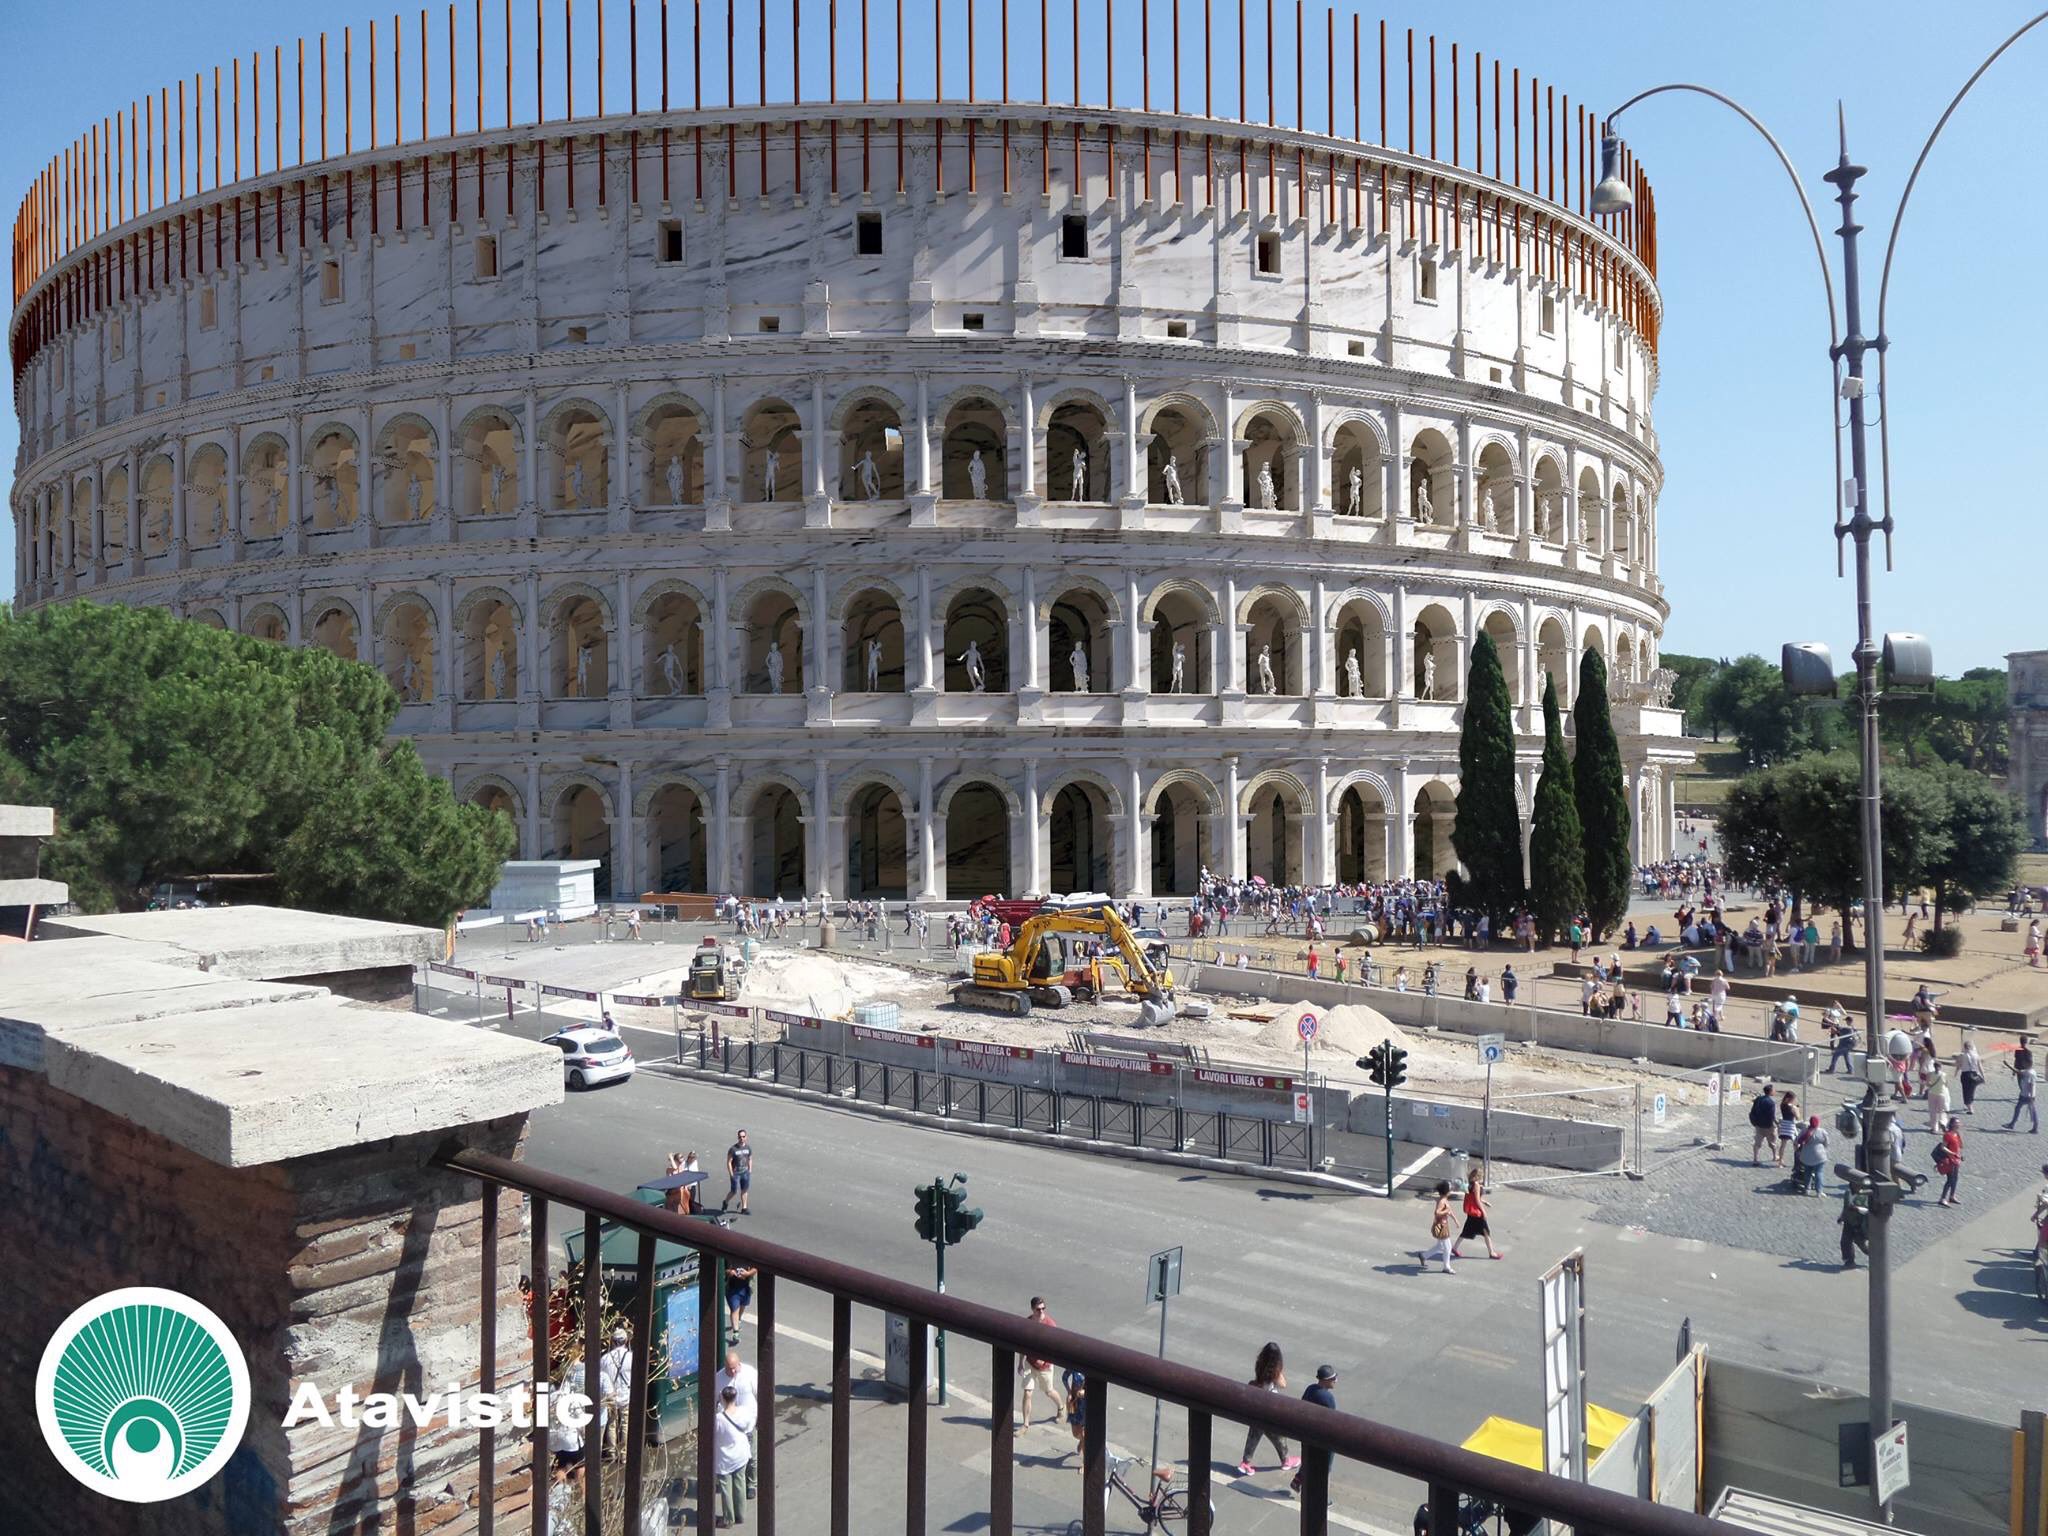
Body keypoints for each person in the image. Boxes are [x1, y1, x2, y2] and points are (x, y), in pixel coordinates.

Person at [1237, 1341, 1299, 1475]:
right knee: (1277, 1434)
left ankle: (1246, 1463)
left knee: (1257, 1432)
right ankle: (1285, 1460)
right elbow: (1283, 1384)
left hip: (1258, 1402)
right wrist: (1280, 1370)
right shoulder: (1275, 1372)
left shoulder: (1259, 1365)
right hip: (1271, 1405)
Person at [716, 1347, 761, 1498]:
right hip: (729, 1426)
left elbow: (759, 1393)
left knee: (752, 1456)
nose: (733, 1372)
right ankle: (734, 1483)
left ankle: (751, 1484)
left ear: (739, 1364)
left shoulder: (749, 1374)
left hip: (747, 1423)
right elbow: (715, 1400)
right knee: (729, 1456)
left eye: (735, 1368)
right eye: (729, 1369)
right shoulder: (719, 1378)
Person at [1289, 1365, 1339, 1498]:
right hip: (1322, 1437)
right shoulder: (1327, 1398)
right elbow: (1333, 1420)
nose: (1336, 1380)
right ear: (1326, 1380)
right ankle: (1323, 1498)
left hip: (1306, 1432)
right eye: (1334, 1378)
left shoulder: (1310, 1389)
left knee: (1308, 1457)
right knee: (1325, 1468)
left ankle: (1299, 1479)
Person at [713, 1382, 755, 1526]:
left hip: (725, 1458)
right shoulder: (743, 1412)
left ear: (723, 1399)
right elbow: (749, 1427)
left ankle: (728, 1519)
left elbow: (713, 1435)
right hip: (741, 1454)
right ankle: (740, 1515)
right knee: (740, 1483)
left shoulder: (719, 1419)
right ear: (735, 1398)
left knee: (726, 1488)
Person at [1018, 1297, 1062, 1428]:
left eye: (1043, 1308)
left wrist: (1044, 1359)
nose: (1041, 1311)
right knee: (1027, 1392)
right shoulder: (1028, 1322)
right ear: (1032, 1309)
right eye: (1038, 1309)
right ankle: (1025, 1423)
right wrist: (1020, 1362)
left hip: (1045, 1367)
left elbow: (1054, 1347)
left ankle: (1061, 1407)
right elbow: (1022, 1344)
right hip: (1030, 1363)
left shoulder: (1050, 1324)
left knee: (1048, 1391)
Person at [1450, 1170, 1504, 1260]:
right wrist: (1483, 1211)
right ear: (1478, 1177)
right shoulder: (1476, 1185)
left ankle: (1455, 1248)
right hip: (1477, 1213)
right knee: (1486, 1232)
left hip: (1471, 1212)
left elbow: (1472, 1197)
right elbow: (1477, 1200)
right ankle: (1492, 1253)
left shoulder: (1469, 1185)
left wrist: (1485, 1202)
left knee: (1467, 1231)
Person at [598, 1327, 634, 1460]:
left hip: (611, 1396)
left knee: (612, 1423)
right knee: (625, 1423)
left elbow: (601, 1377)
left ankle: (611, 1452)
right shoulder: (631, 1357)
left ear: (612, 1341)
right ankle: (624, 1454)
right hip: (626, 1395)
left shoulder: (605, 1359)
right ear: (626, 1341)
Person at [1422, 1180, 1457, 1274]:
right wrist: (1446, 1212)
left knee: (1440, 1246)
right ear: (1446, 1191)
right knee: (1447, 1247)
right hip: (1440, 1226)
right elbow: (1437, 1212)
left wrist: (1455, 1219)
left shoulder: (1444, 1199)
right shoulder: (1442, 1201)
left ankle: (1424, 1256)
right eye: (1450, 1190)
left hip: (1442, 1225)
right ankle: (1446, 1267)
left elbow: (1449, 1211)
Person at [1793, 1115, 1829, 1197]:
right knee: (1819, 1173)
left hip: (1806, 1156)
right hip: (1819, 1156)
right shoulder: (1822, 1131)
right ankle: (1819, 1192)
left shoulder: (1805, 1131)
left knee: (1807, 1173)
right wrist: (1824, 1150)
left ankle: (1807, 1189)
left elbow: (1796, 1141)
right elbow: (1826, 1143)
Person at [725, 1258, 757, 1343]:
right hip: (732, 1289)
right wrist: (730, 1272)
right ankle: (736, 1332)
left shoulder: (748, 1254)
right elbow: (723, 1269)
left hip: (745, 1288)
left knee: (743, 1305)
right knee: (734, 1309)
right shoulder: (727, 1256)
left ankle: (738, 1319)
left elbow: (755, 1268)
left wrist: (747, 1273)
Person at [1935, 1118, 1964, 1205]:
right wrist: (1952, 1153)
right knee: (1950, 1179)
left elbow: (1961, 1146)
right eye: (1956, 1123)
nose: (1958, 1125)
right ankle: (1943, 1198)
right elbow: (1943, 1147)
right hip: (1949, 1160)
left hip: (1956, 1160)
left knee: (1955, 1179)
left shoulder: (1957, 1134)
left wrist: (1960, 1136)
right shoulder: (1948, 1135)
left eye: (1959, 1123)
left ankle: (1952, 1196)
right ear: (1952, 1124)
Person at [2009, 1052, 2040, 1134]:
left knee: (2020, 1108)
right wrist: (2007, 1065)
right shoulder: (2030, 1071)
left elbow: (2031, 1085)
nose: (2023, 1064)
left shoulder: (2030, 1073)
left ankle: (2012, 1124)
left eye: (2024, 1063)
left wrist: (2031, 1096)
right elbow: (2019, 1071)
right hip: (2027, 1095)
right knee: (2032, 1111)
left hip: (2026, 1095)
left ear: (2027, 1063)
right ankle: (2035, 1127)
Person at [1748, 1084, 1779, 1166]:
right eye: (1774, 1090)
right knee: (1772, 1142)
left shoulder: (1758, 1099)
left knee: (1757, 1143)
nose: (1775, 1091)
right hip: (1769, 1127)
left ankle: (1755, 1159)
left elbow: (1753, 1110)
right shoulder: (1771, 1103)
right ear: (1770, 1092)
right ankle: (1775, 1156)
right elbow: (1772, 1116)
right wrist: (1777, 1124)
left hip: (1758, 1125)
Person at [724, 1129, 754, 1214]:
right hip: (736, 1173)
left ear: (746, 1137)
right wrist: (731, 1174)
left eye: (743, 1136)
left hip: (745, 1172)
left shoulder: (748, 1148)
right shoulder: (733, 1149)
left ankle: (744, 1208)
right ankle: (725, 1202)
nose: (742, 1138)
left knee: (744, 1190)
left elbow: (750, 1159)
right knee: (734, 1191)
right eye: (740, 1137)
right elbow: (729, 1162)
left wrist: (750, 1170)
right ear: (738, 1137)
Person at [1824, 1004, 1857, 1074]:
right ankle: (1850, 1070)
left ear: (1849, 1021)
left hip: (1845, 1044)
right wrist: (1834, 1026)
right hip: (1850, 1044)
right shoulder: (1853, 1027)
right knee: (1846, 1055)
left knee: (1835, 1055)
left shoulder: (1848, 1028)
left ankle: (1831, 1069)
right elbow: (1839, 1030)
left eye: (1846, 1021)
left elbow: (1838, 1031)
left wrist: (1833, 1027)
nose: (1846, 1022)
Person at [1957, 1037, 1985, 1114]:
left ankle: (1969, 1107)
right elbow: (1980, 1066)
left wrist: (1955, 1073)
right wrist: (1983, 1076)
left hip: (1965, 1074)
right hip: (1974, 1074)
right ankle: (1969, 1104)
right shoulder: (1976, 1055)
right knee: (1972, 1090)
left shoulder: (1962, 1055)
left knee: (1966, 1091)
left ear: (1964, 1047)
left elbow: (1959, 1065)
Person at [1775, 1090, 1799, 1168]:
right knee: (1796, 1144)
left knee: (1783, 1145)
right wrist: (1797, 1109)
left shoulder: (1782, 1105)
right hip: (1790, 1127)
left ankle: (1780, 1162)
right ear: (1791, 1099)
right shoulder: (1792, 1107)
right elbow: (1798, 1117)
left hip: (1783, 1125)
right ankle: (1797, 1162)